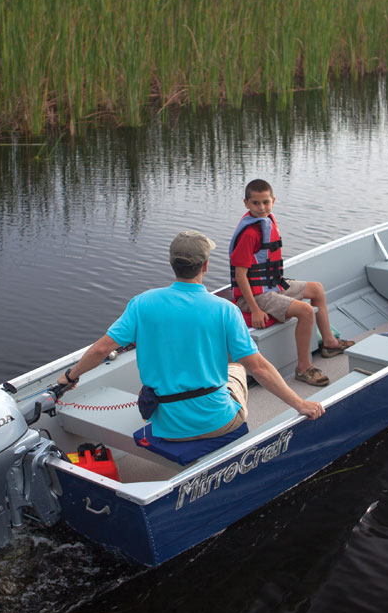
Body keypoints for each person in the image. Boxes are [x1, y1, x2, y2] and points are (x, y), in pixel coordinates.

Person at [57, 229, 324, 441]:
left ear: (172, 263)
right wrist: (300, 404)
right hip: (217, 424)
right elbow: (260, 368)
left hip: (167, 429)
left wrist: (69, 377)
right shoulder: (225, 310)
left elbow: (101, 350)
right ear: (205, 266)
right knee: (238, 369)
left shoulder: (142, 303)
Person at [229, 179, 353, 387]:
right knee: (305, 311)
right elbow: (241, 276)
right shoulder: (250, 233)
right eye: (256, 203)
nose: (261, 208)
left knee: (317, 289)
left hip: (271, 285)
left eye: (266, 202)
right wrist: (254, 309)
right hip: (254, 296)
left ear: (273, 201)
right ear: (246, 203)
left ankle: (329, 343)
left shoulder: (267, 222)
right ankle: (303, 368)